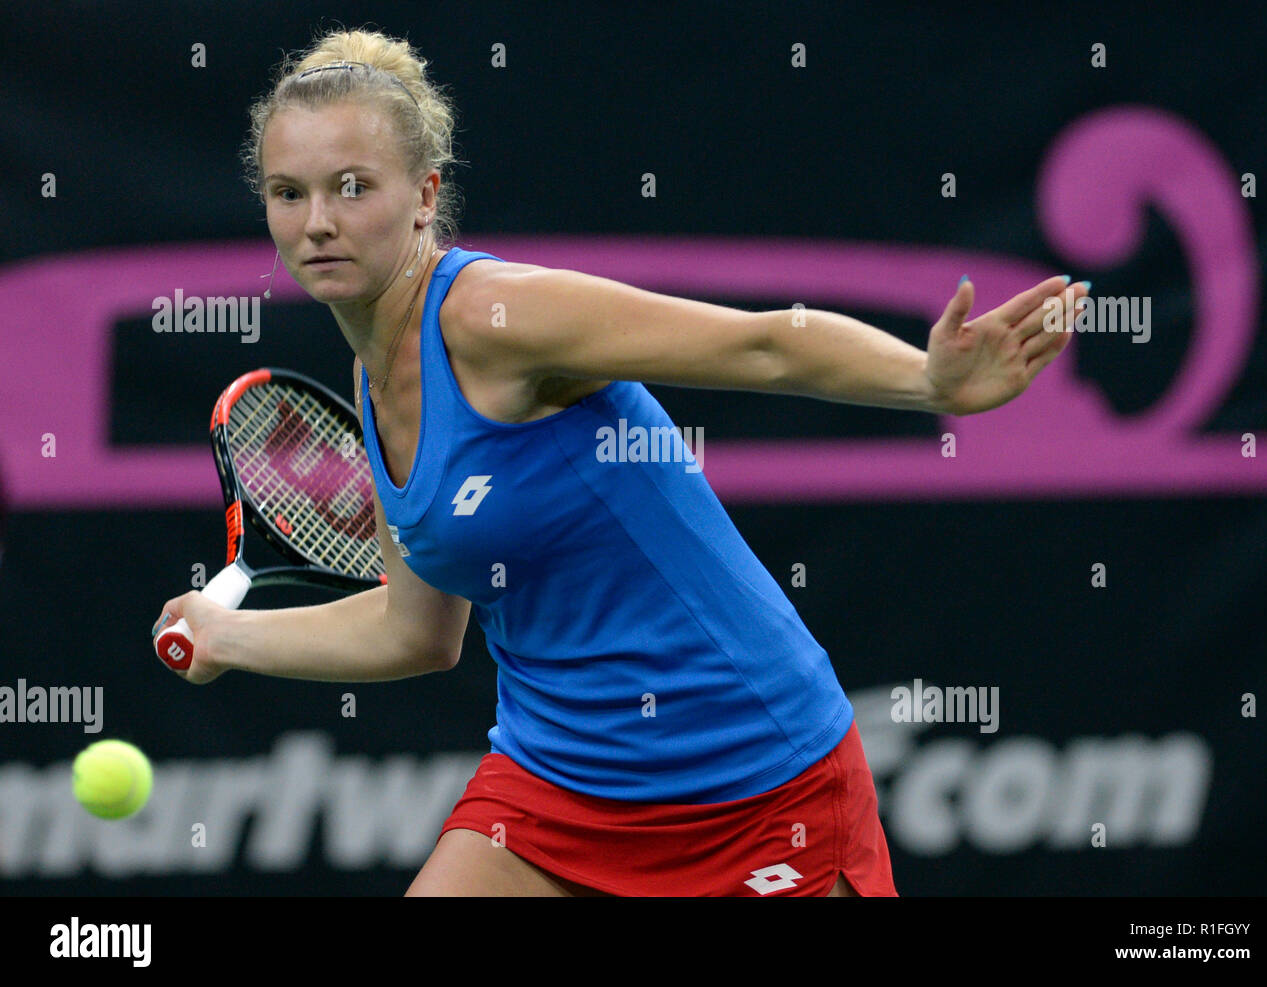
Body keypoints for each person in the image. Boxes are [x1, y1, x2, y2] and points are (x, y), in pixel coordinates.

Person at [153, 28, 1085, 896]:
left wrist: (929, 380)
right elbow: (416, 633)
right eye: (289, 193)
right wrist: (229, 637)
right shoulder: (370, 377)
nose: (318, 221)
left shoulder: (496, 320)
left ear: (426, 195)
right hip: (557, 780)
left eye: (353, 187)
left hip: (755, 776)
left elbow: (766, 344)